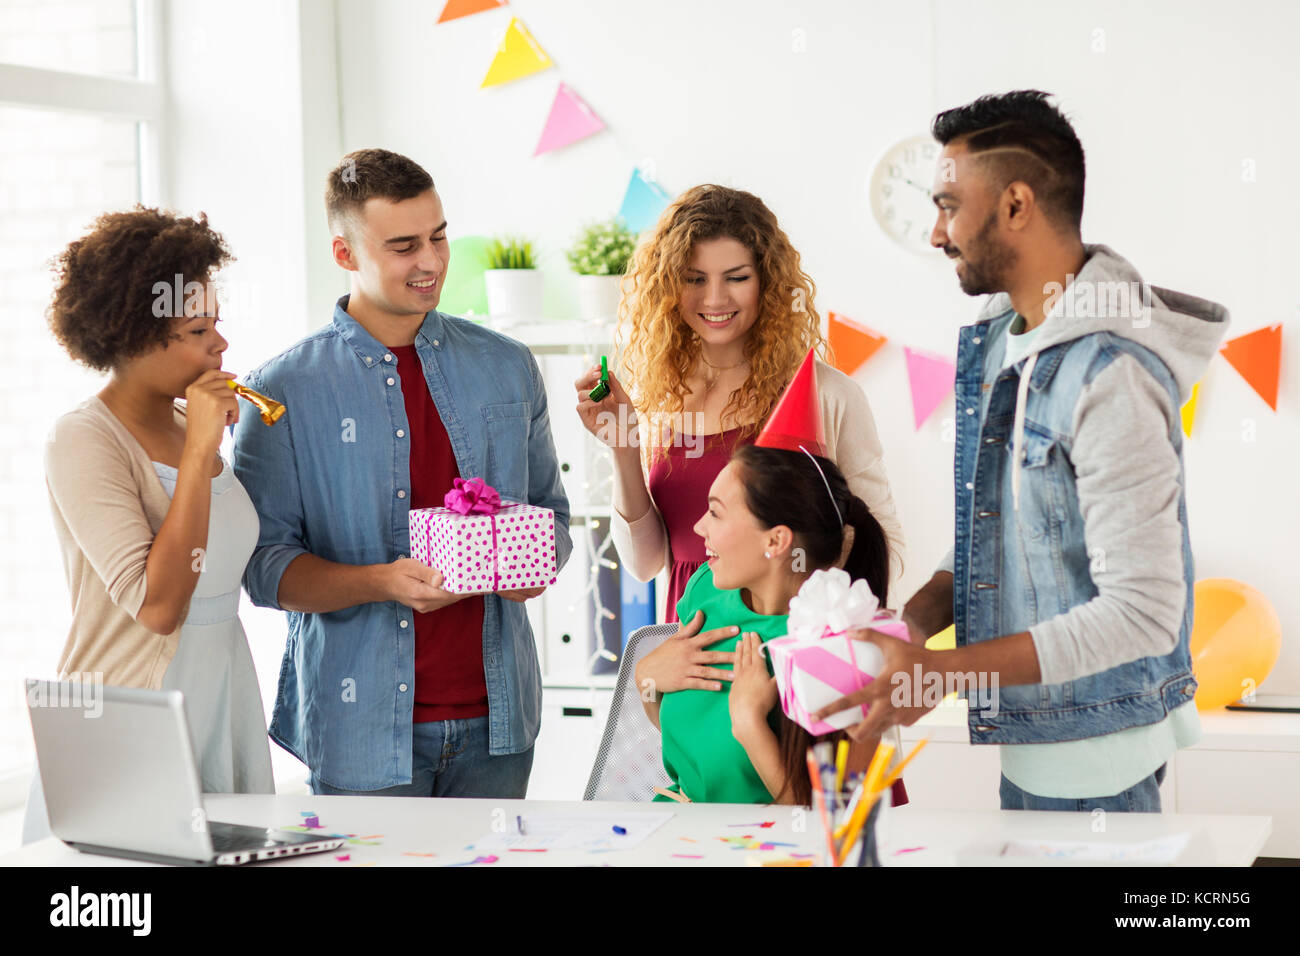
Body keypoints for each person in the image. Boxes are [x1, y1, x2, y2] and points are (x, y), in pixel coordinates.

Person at [814, 91, 1230, 813]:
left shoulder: (1112, 377)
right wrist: (901, 631)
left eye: (949, 204)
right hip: (1032, 749)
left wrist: (941, 675)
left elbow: (1143, 612)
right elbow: (994, 536)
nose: (938, 233)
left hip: (1100, 761)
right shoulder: (1001, 339)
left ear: (1014, 205)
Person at [233, 149, 571, 799]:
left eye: (439, 236)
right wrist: (382, 582)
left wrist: (530, 566)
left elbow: (551, 517)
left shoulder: (508, 367)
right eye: (404, 245)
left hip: (498, 727)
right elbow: (266, 569)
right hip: (358, 730)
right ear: (344, 252)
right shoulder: (281, 392)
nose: (433, 261)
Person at [27, 207, 273, 842]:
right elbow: (159, 606)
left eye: (217, 323)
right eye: (198, 329)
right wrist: (197, 453)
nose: (219, 344)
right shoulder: (83, 438)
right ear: (133, 336)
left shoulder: (191, 424)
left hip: (221, 700)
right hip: (130, 716)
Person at [575, 184, 905, 623]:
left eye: (737, 277)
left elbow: (879, 544)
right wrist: (623, 445)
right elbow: (645, 563)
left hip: (781, 645)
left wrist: (807, 631)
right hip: (689, 646)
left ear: (767, 281)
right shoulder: (658, 392)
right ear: (671, 286)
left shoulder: (828, 395)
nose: (715, 299)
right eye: (695, 279)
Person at [636, 355, 906, 806]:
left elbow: (818, 823)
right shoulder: (704, 591)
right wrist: (647, 678)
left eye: (716, 513)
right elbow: (683, 732)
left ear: (776, 541)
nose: (698, 528)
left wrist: (749, 722)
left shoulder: (837, 650)